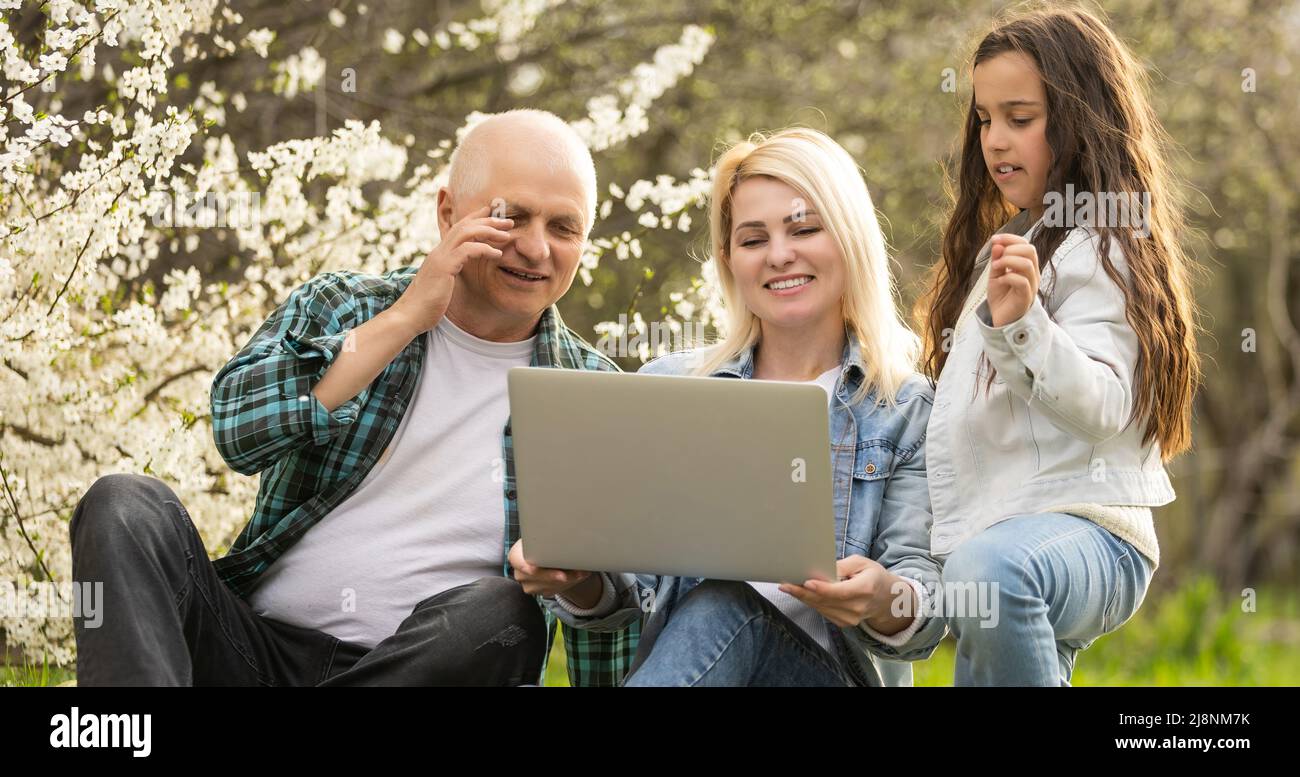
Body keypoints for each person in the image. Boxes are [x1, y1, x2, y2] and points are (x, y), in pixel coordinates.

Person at [69, 109, 637, 686]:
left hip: (419, 671)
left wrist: (585, 587)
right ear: (447, 214)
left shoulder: (591, 395)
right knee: (124, 503)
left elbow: (615, 624)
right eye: (511, 217)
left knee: (503, 612)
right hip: (249, 651)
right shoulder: (344, 305)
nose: (536, 248)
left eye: (564, 228)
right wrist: (405, 319)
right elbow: (237, 433)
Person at [512, 127, 944, 686]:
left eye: (805, 229)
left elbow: (926, 608)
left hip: (830, 675)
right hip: (699, 671)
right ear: (729, 259)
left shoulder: (905, 408)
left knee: (726, 603)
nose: (780, 255)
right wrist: (572, 576)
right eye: (753, 239)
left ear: (850, 237)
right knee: (715, 606)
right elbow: (625, 596)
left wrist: (885, 598)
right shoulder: (670, 387)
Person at [914, 6, 1202, 685]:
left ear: (1077, 118)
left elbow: (1103, 402)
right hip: (1012, 537)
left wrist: (1023, 327)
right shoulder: (1004, 251)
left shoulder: (1104, 243)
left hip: (1093, 533)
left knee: (989, 573)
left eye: (1020, 117)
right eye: (985, 119)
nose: (995, 139)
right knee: (982, 578)